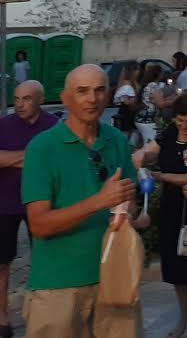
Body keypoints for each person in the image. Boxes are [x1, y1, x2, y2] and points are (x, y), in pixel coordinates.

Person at [22, 64, 142, 338]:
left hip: (116, 280)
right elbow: (39, 224)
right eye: (82, 91)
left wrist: (132, 213)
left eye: (100, 90)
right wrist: (98, 201)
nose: (92, 99)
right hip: (58, 286)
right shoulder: (43, 148)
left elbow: (129, 203)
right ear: (65, 98)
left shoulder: (116, 141)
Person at [145, 92, 187, 338]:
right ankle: (183, 319)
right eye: (179, 120)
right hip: (170, 209)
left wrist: (160, 176)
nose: (183, 126)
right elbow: (149, 152)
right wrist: (136, 161)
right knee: (174, 270)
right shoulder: (171, 133)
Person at [0, 80, 57, 336]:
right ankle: (2, 318)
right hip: (5, 203)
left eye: (26, 99)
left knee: (45, 260)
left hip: (41, 203)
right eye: (17, 98)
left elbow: (56, 161)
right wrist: (34, 156)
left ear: (40, 100)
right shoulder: (4, 125)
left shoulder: (54, 126)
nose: (19, 104)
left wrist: (13, 158)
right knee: (2, 263)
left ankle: (40, 313)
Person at [137, 63, 170, 144]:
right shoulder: (153, 85)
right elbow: (160, 104)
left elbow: (155, 99)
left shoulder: (147, 85)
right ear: (158, 74)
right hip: (148, 119)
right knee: (151, 143)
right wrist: (175, 100)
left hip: (143, 118)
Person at [112, 61, 141, 139]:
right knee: (126, 136)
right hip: (127, 113)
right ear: (133, 71)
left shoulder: (131, 83)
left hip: (129, 112)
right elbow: (126, 101)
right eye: (137, 69)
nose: (139, 72)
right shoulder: (127, 85)